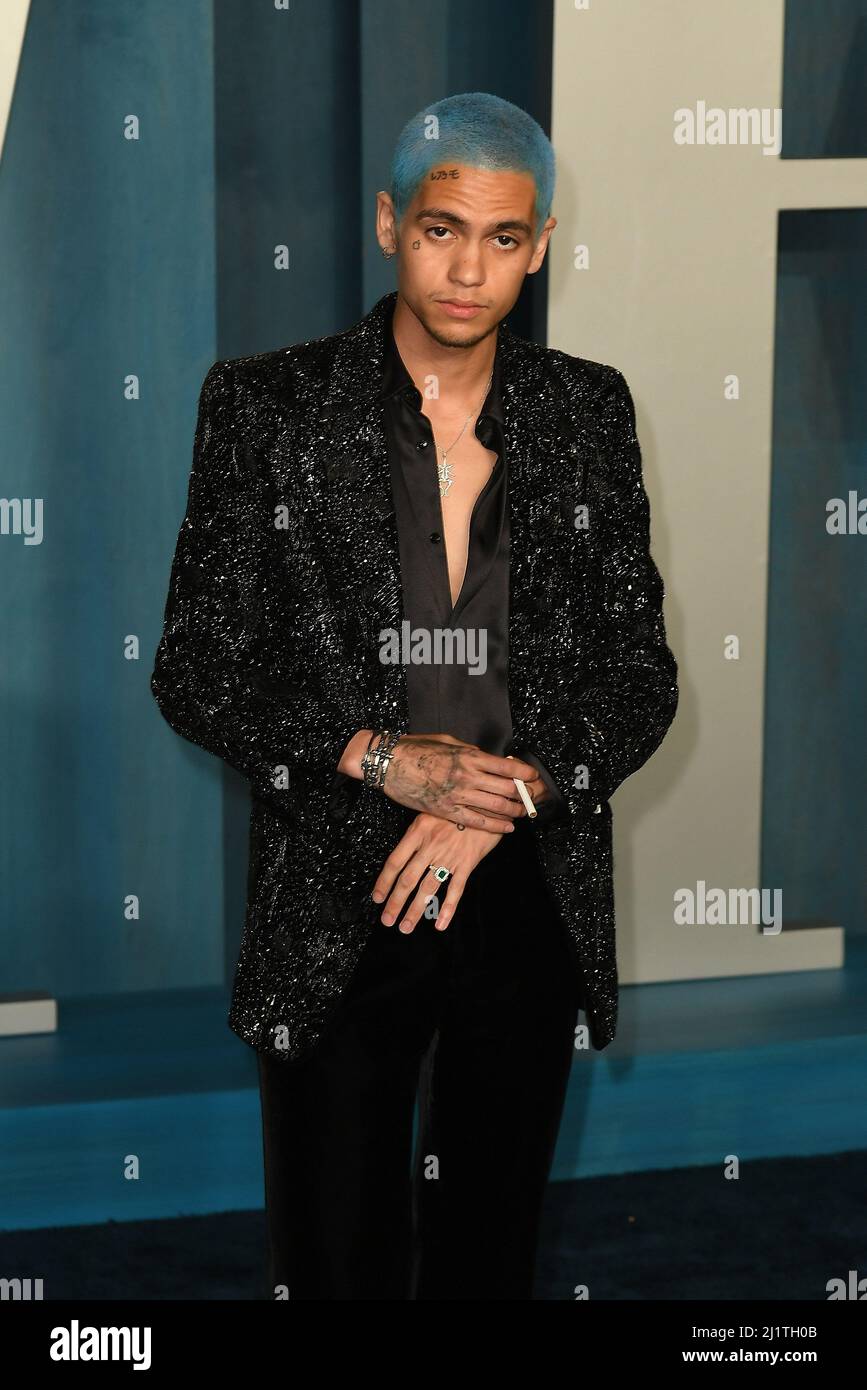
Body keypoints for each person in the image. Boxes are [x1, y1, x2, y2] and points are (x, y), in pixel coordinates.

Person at [151, 90, 679, 1300]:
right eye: (443, 229)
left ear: (541, 244)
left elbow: (636, 673)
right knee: (337, 1259)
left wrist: (508, 792)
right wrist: (387, 759)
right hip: (341, 882)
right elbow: (198, 665)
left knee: (489, 1257)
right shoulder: (267, 406)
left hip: (525, 879)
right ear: (391, 222)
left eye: (503, 239)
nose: (469, 269)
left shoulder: (586, 411)